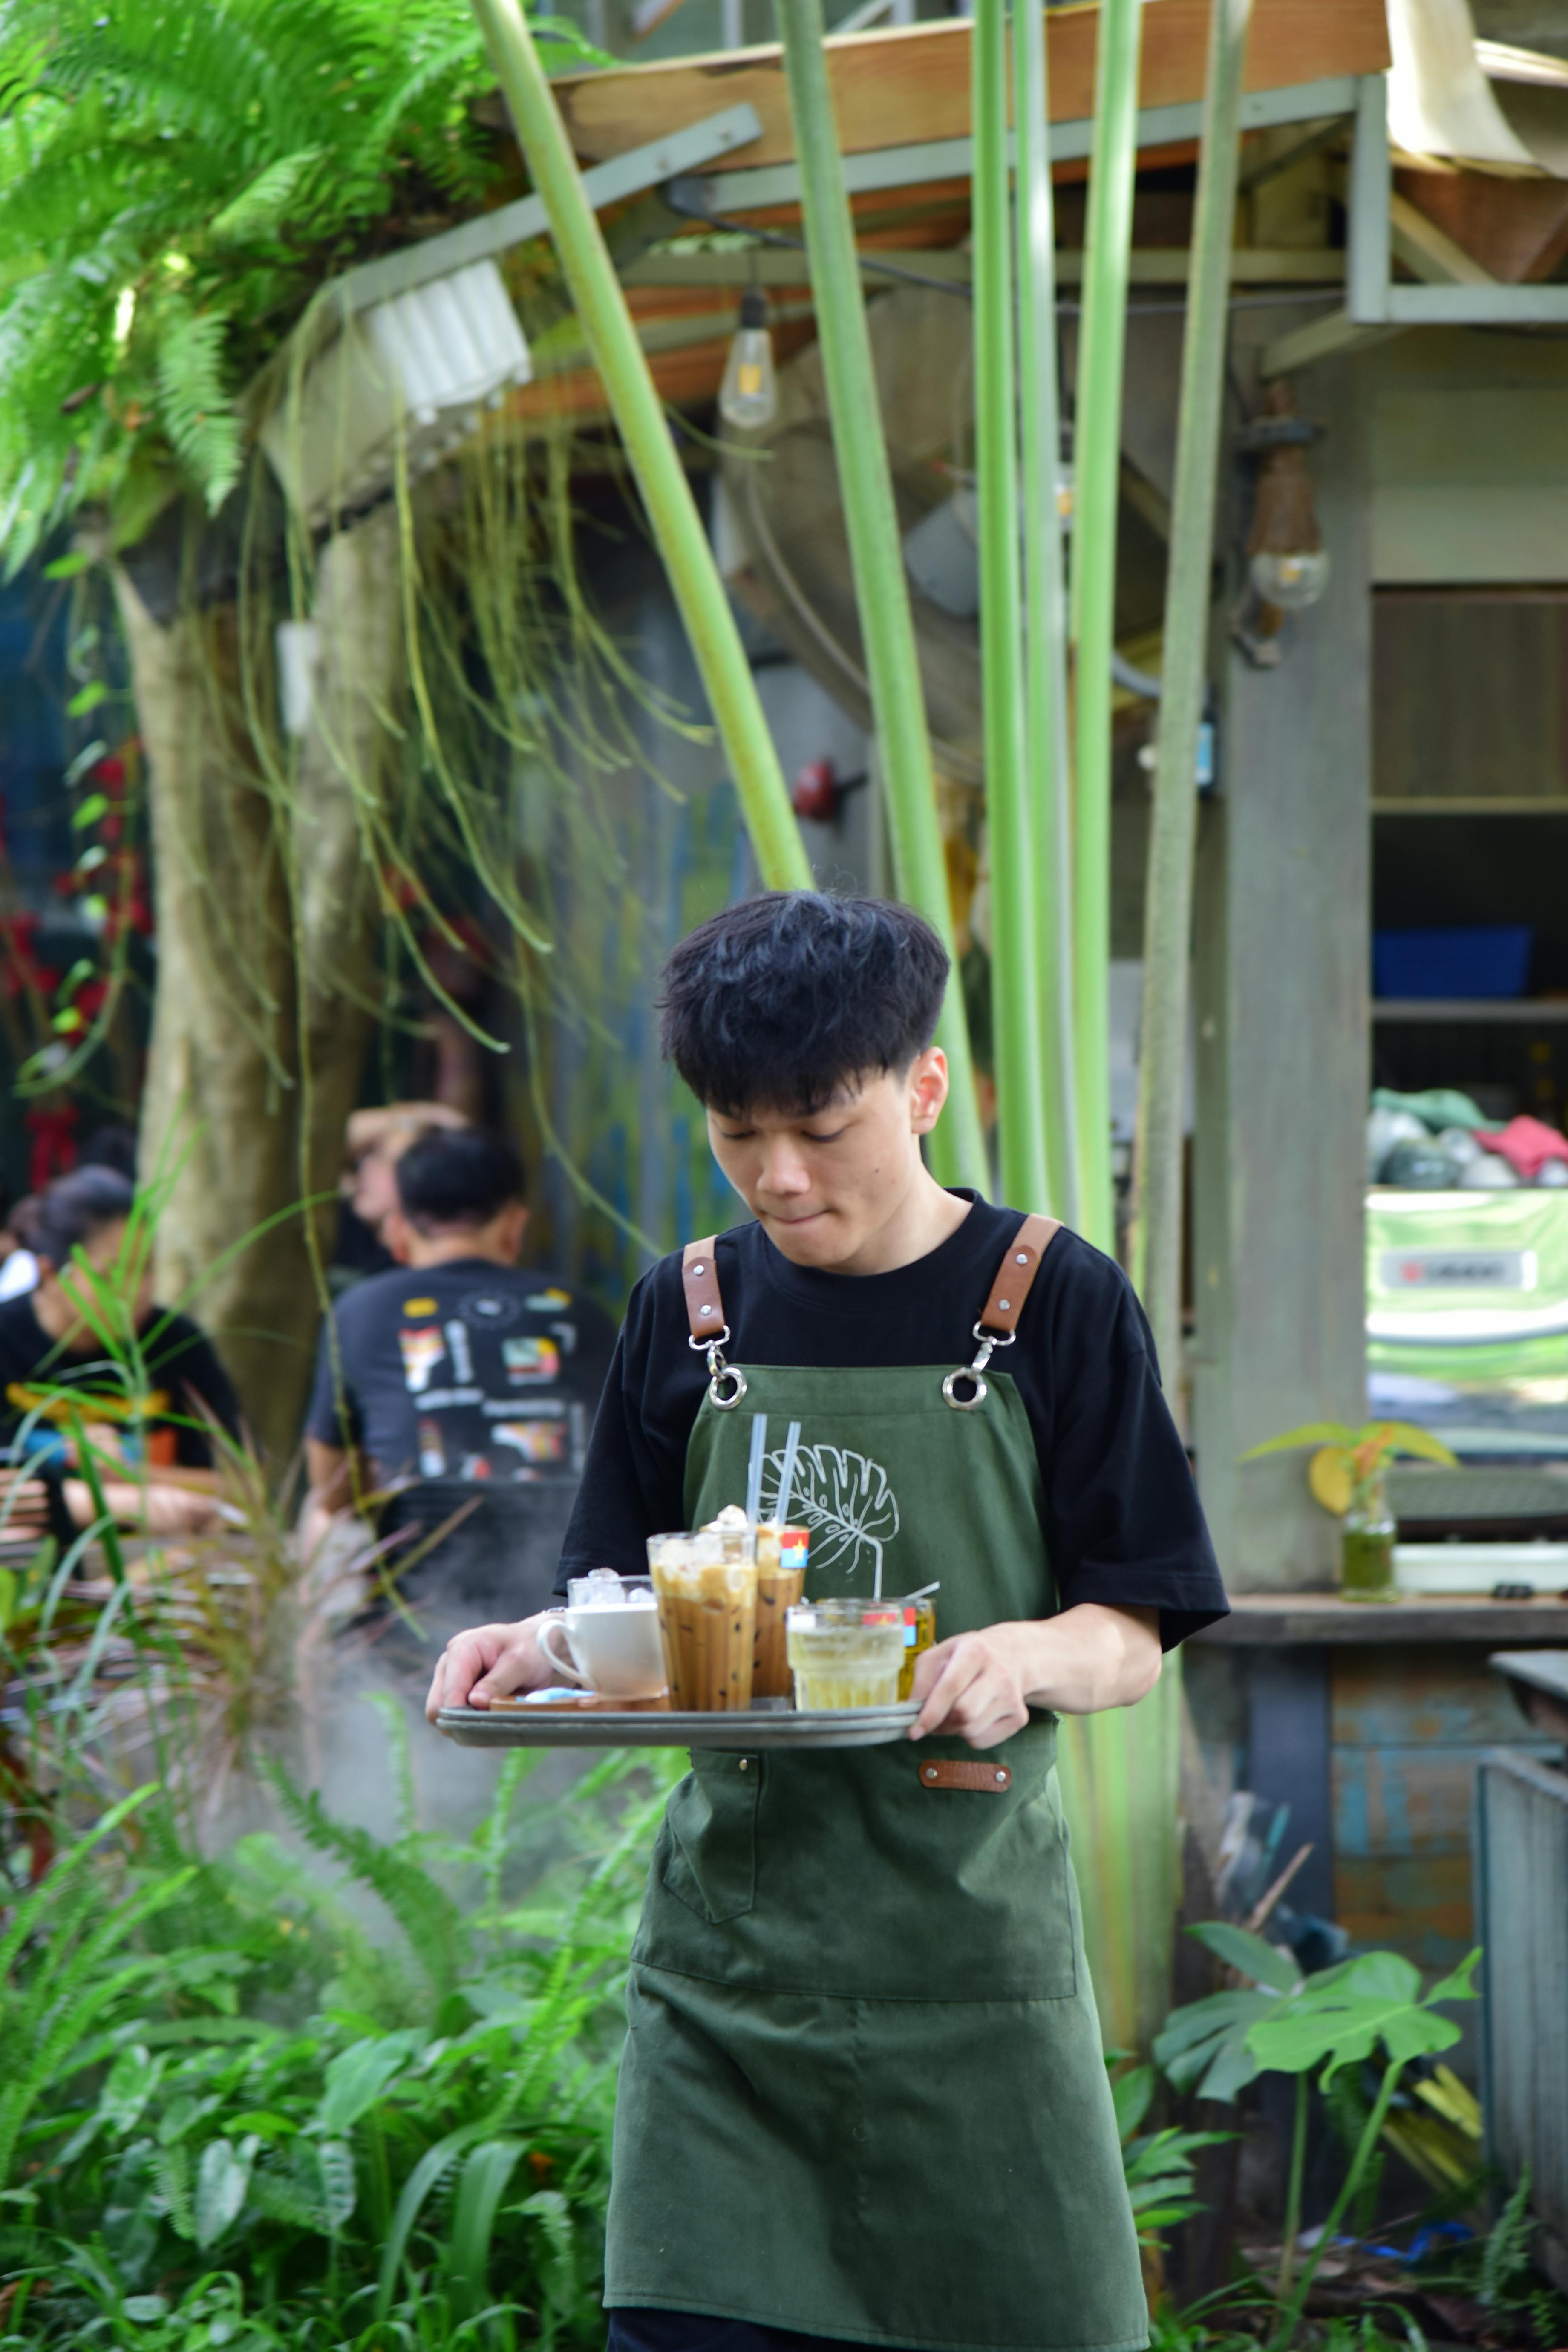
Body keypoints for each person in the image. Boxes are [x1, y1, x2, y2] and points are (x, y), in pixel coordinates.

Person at [426, 891, 1230, 2352]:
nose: (779, 1177)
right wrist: (532, 1651)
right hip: (726, 1980)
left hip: (972, 1965)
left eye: (820, 1126)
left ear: (922, 1088)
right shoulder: (687, 1310)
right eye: (737, 1133)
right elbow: (619, 1610)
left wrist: (1021, 1653)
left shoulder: (1050, 1297)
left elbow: (1133, 1627)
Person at [305, 1127, 616, 1622]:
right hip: (560, 1609)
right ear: (514, 1225)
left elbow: (334, 1494)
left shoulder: (360, 1310)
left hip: (417, 1614)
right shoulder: (582, 1313)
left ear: (399, 1230)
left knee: (314, 1523)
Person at [0, 1166, 243, 1543]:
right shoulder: (7, 1339)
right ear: (49, 1272)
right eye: (109, 1275)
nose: (135, 1292)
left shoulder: (176, 1343)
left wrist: (130, 1475)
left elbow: (244, 1486)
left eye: (146, 1269)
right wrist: (113, 1502)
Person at [333, 1101, 471, 1283]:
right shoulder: (345, 1228)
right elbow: (321, 1142)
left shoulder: (433, 1262)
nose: (366, 1165)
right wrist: (415, 1115)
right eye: (370, 1154)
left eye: (384, 1159)